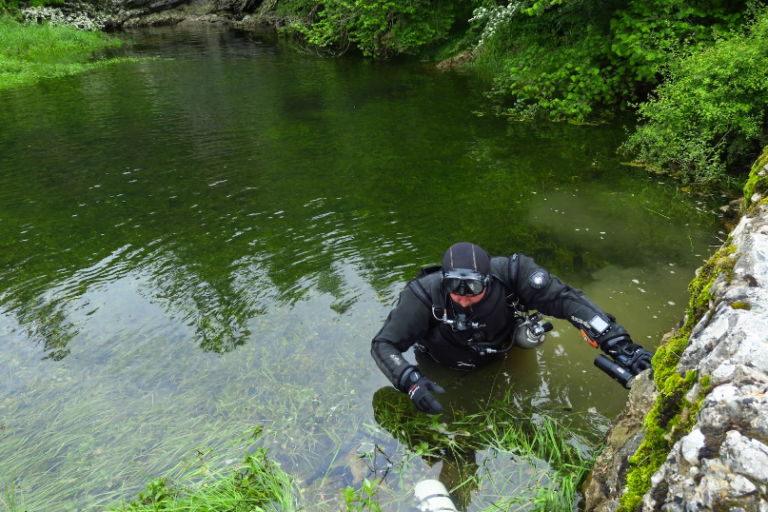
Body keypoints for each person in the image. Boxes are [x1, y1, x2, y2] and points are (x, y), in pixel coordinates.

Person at [370, 242, 654, 415]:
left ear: (488, 279)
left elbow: (568, 301)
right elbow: (383, 344)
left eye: (473, 288)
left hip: (502, 352)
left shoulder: (514, 274)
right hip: (442, 366)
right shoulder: (421, 296)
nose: (463, 298)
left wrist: (618, 342)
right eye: (453, 288)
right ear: (442, 281)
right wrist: (410, 381)